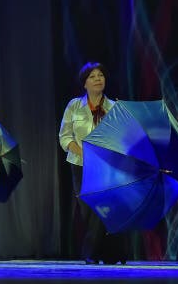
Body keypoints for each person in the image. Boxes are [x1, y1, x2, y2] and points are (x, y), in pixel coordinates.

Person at [58, 62, 127, 265]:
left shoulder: (113, 107)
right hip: (79, 165)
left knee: (103, 206)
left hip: (106, 166)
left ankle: (91, 253)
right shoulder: (74, 106)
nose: (98, 79)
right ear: (85, 83)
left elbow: (121, 139)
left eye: (101, 75)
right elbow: (64, 136)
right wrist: (82, 152)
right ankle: (111, 253)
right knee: (88, 208)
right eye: (92, 76)